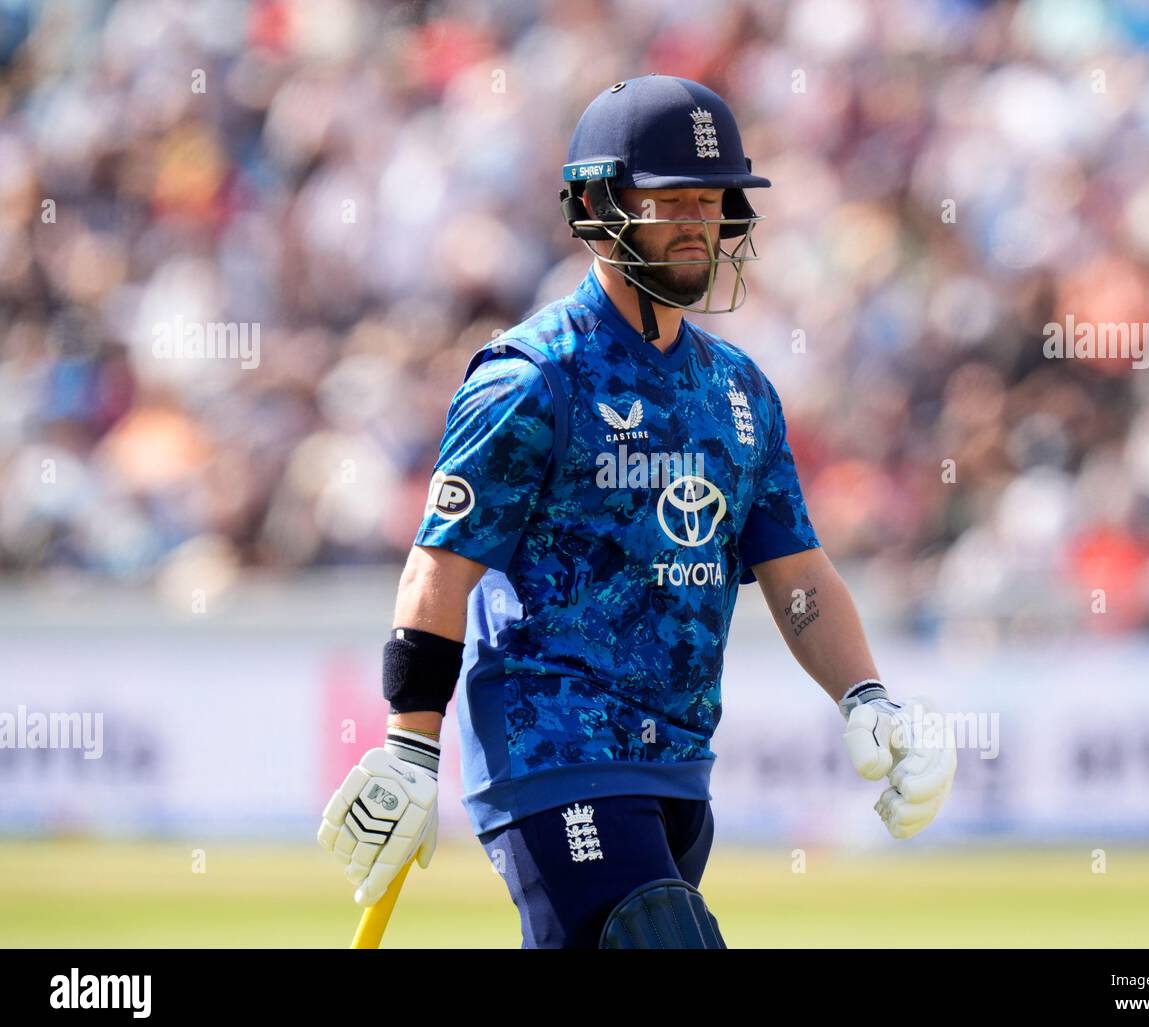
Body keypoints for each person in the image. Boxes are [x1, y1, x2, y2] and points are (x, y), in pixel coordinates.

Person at [318, 74, 956, 949]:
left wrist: (866, 695)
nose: (698, 221)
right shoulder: (532, 376)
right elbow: (441, 564)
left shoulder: (741, 390)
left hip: (680, 768)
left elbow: (796, 572)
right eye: (671, 200)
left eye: (712, 200)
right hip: (555, 753)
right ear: (598, 205)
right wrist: (410, 747)